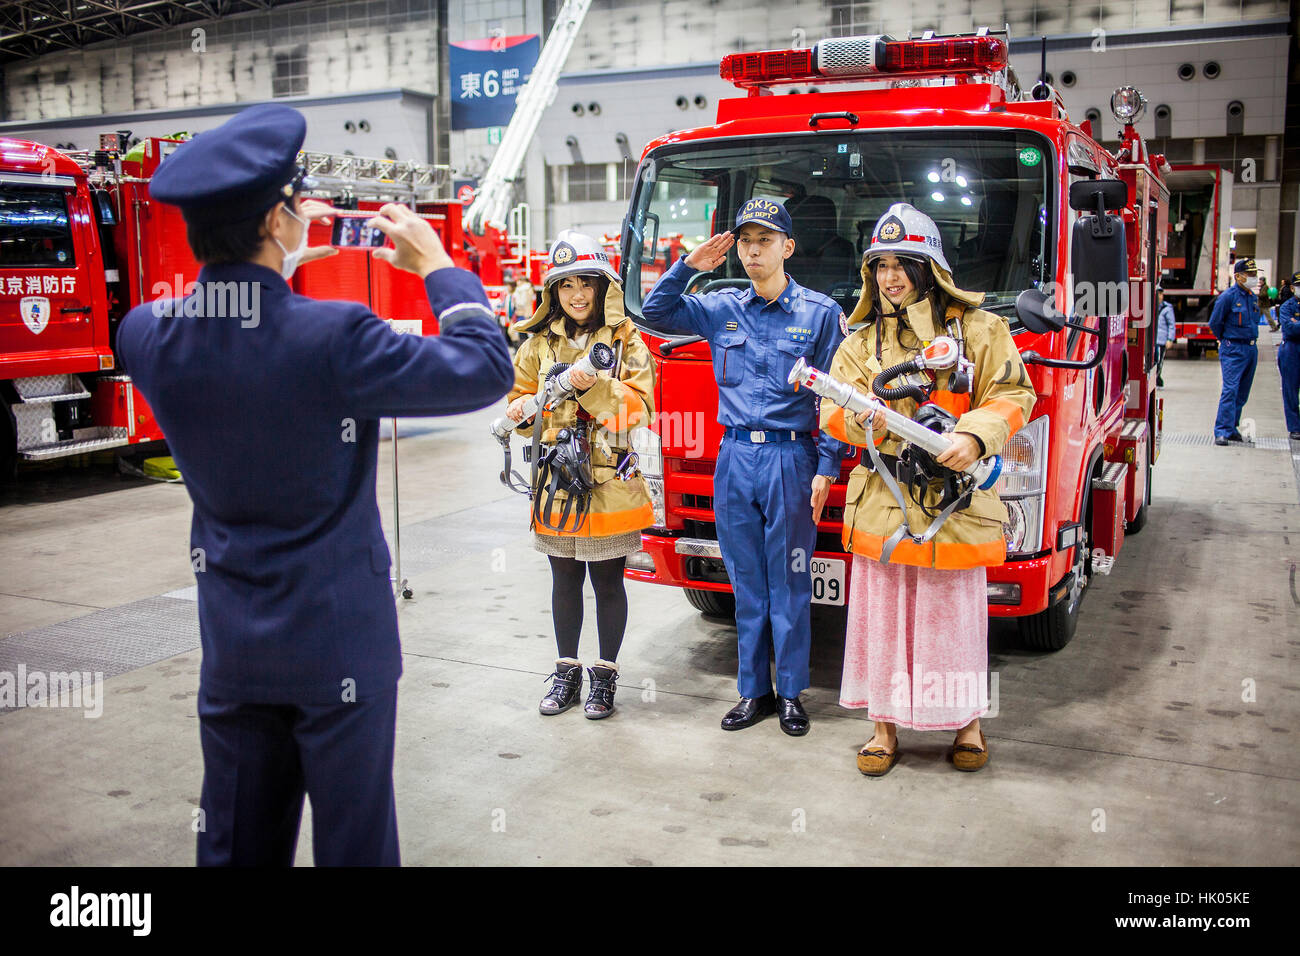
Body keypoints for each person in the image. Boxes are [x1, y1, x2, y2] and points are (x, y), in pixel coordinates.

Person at [116, 104, 514, 865]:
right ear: (277, 219)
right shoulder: (336, 336)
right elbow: (483, 368)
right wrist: (439, 266)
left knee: (235, 842)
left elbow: (233, 322)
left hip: (234, 648)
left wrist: (270, 267)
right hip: (341, 647)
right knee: (353, 844)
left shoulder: (148, 334)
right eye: (293, 205)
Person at [820, 203, 1035, 776]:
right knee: (882, 614)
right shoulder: (860, 342)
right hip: (885, 500)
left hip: (957, 501)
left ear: (930, 265)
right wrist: (877, 426)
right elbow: (830, 410)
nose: (889, 277)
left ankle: (967, 721)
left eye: (902, 263)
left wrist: (974, 436)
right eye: (880, 265)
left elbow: (1015, 395)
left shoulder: (983, 329)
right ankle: (883, 727)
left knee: (955, 615)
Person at [641, 198, 846, 737]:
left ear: (788, 247)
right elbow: (654, 314)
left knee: (791, 579)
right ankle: (752, 692)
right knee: (746, 581)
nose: (754, 250)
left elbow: (836, 399)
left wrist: (827, 466)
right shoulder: (720, 307)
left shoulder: (820, 315)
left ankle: (792, 693)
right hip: (734, 458)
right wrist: (689, 267)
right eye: (747, 241)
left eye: (766, 240)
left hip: (791, 458)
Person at [504, 231, 656, 719]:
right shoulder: (538, 344)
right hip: (556, 481)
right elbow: (516, 405)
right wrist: (528, 411)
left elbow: (640, 410)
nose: (575, 294)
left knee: (608, 580)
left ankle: (605, 676)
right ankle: (566, 670)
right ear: (553, 292)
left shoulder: (627, 340)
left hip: (610, 478)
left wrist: (591, 387)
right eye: (564, 284)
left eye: (584, 282)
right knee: (563, 577)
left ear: (602, 284)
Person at [1209, 258, 1263, 445]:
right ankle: (1221, 431)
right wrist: (1226, 340)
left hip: (1250, 348)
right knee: (1230, 390)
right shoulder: (1228, 297)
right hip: (1233, 349)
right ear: (1238, 276)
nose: (1254, 278)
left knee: (1242, 392)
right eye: (1251, 275)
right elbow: (1215, 323)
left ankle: (1232, 428)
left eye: (1256, 274)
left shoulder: (1251, 297)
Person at [1280, 269, 1300, 441]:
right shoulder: (1287, 307)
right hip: (1291, 351)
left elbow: (1296, 326)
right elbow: (1289, 328)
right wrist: (1295, 325)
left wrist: (1297, 323)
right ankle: (1295, 427)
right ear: (1292, 288)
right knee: (1290, 390)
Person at [1155, 286, 1176, 387]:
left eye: (1161, 294)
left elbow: (1171, 325)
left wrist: (1170, 339)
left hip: (1161, 340)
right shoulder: (1150, 306)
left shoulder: (1167, 308)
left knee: (1159, 361)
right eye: (1158, 294)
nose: (1160, 296)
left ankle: (1157, 379)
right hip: (1152, 340)